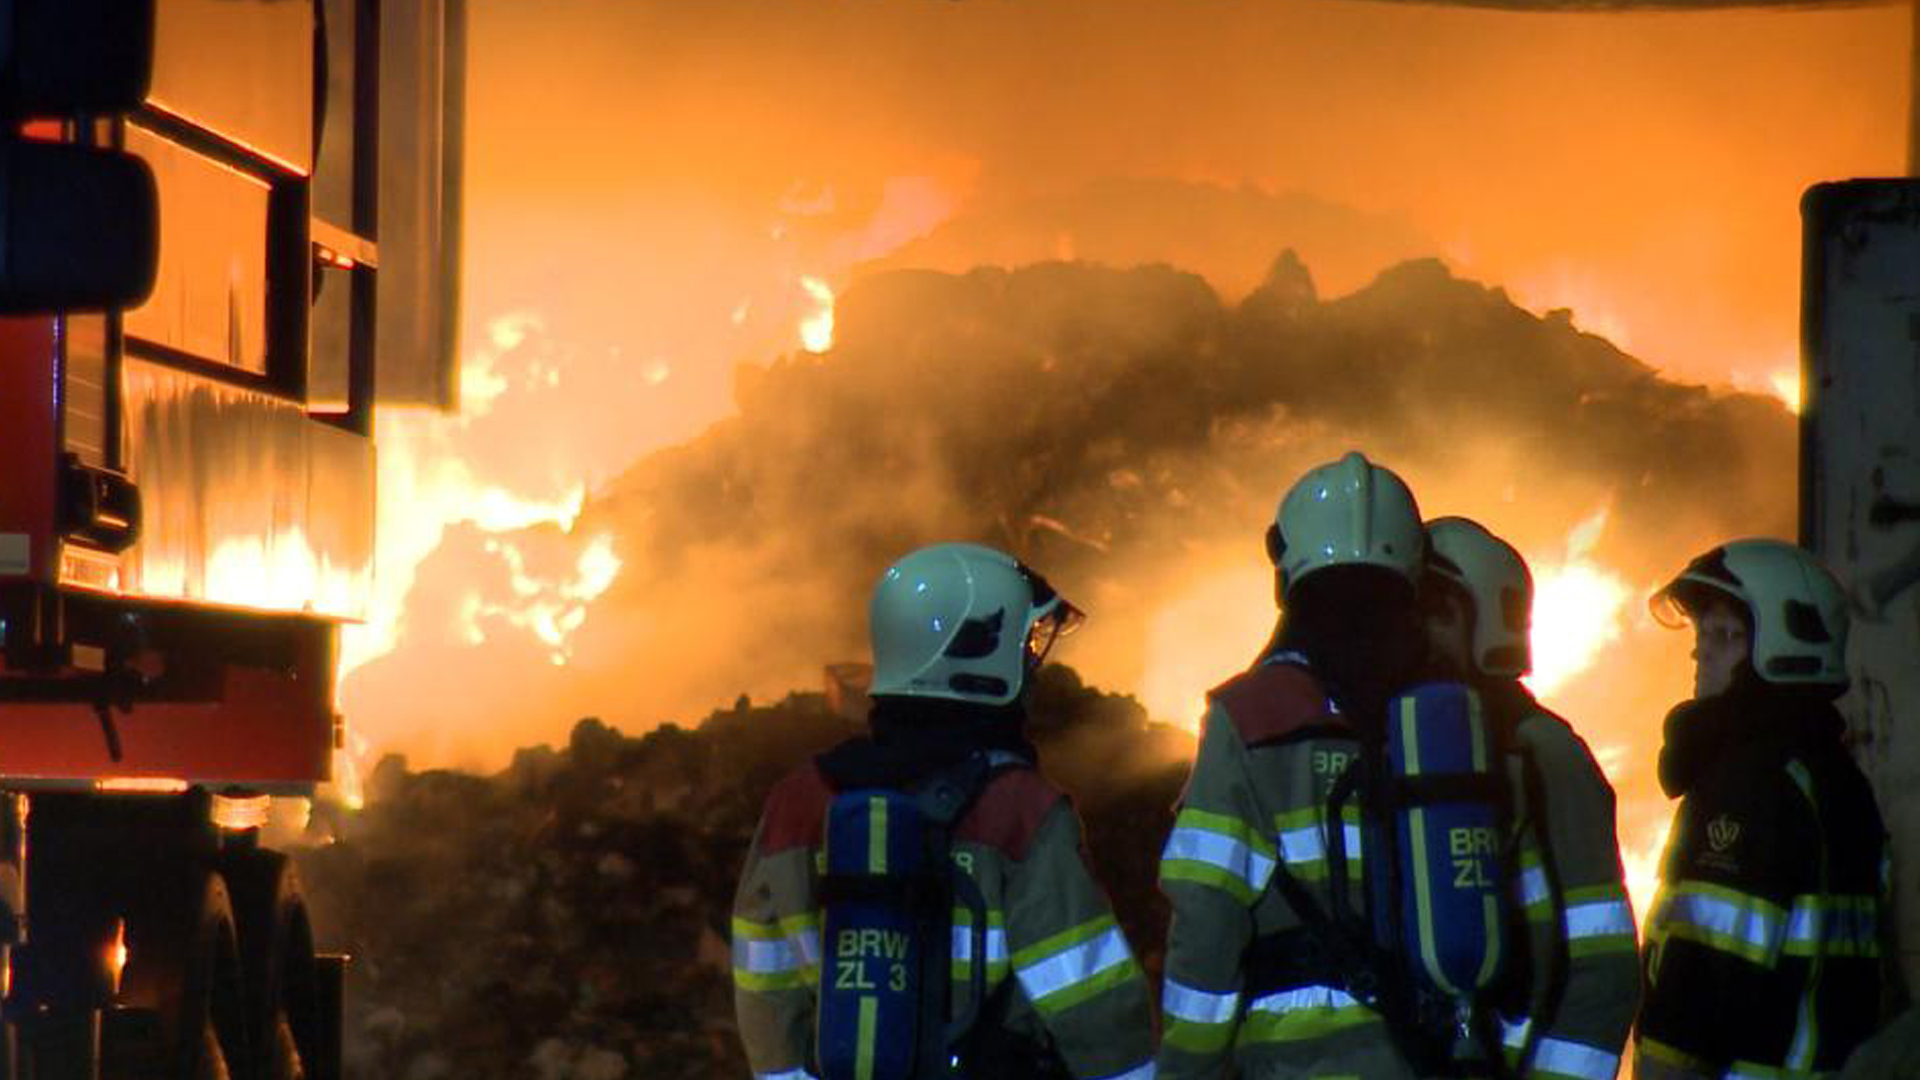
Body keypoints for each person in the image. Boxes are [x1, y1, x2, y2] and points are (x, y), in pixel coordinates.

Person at [731, 542, 1156, 1080]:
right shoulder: (1019, 810)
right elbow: (1091, 1000)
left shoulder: (797, 801)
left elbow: (764, 981)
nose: (1030, 662)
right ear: (980, 656)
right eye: (1020, 643)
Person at [1156, 450, 1450, 1080]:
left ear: (1287, 572)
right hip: (1440, 1057)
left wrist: (1188, 1070)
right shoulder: (1457, 718)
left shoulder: (1252, 716)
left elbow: (1208, 916)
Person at [1634, 539, 1885, 1080]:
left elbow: (1696, 983)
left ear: (1781, 649)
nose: (1701, 652)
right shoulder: (1835, 779)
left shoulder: (1745, 786)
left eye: (1726, 635)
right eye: (1702, 635)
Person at [1422, 516, 1637, 1080]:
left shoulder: (1544, 753)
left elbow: (1604, 965)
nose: (1417, 633)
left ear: (1486, 621)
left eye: (1437, 613)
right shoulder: (1409, 750)